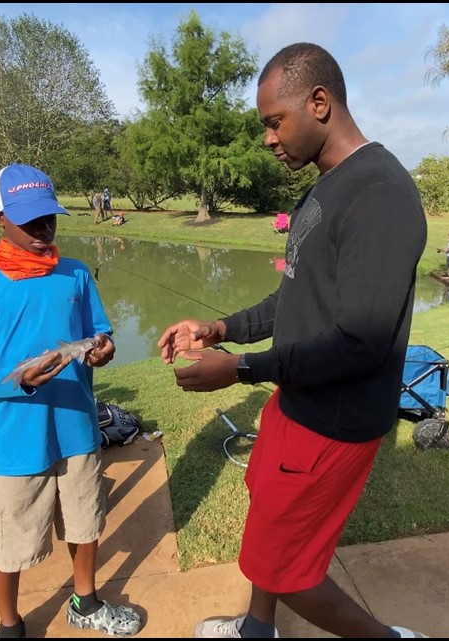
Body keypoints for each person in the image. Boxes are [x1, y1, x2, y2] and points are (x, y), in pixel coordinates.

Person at [157, 43, 426, 639]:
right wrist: (221, 329)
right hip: (297, 402)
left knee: (288, 569)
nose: (268, 139)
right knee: (267, 524)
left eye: (274, 122)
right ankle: (258, 629)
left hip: (332, 420)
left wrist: (242, 369)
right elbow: (296, 299)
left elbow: (361, 340)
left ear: (320, 103)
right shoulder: (326, 186)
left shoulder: (379, 195)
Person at [0, 163, 143, 639]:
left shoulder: (75, 274)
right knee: (9, 540)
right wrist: (20, 381)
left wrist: (103, 348)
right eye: (28, 219)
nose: (43, 228)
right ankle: (10, 625)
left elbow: (99, 333)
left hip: (77, 425)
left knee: (86, 520)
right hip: (18, 437)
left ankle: (85, 601)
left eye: (48, 217)